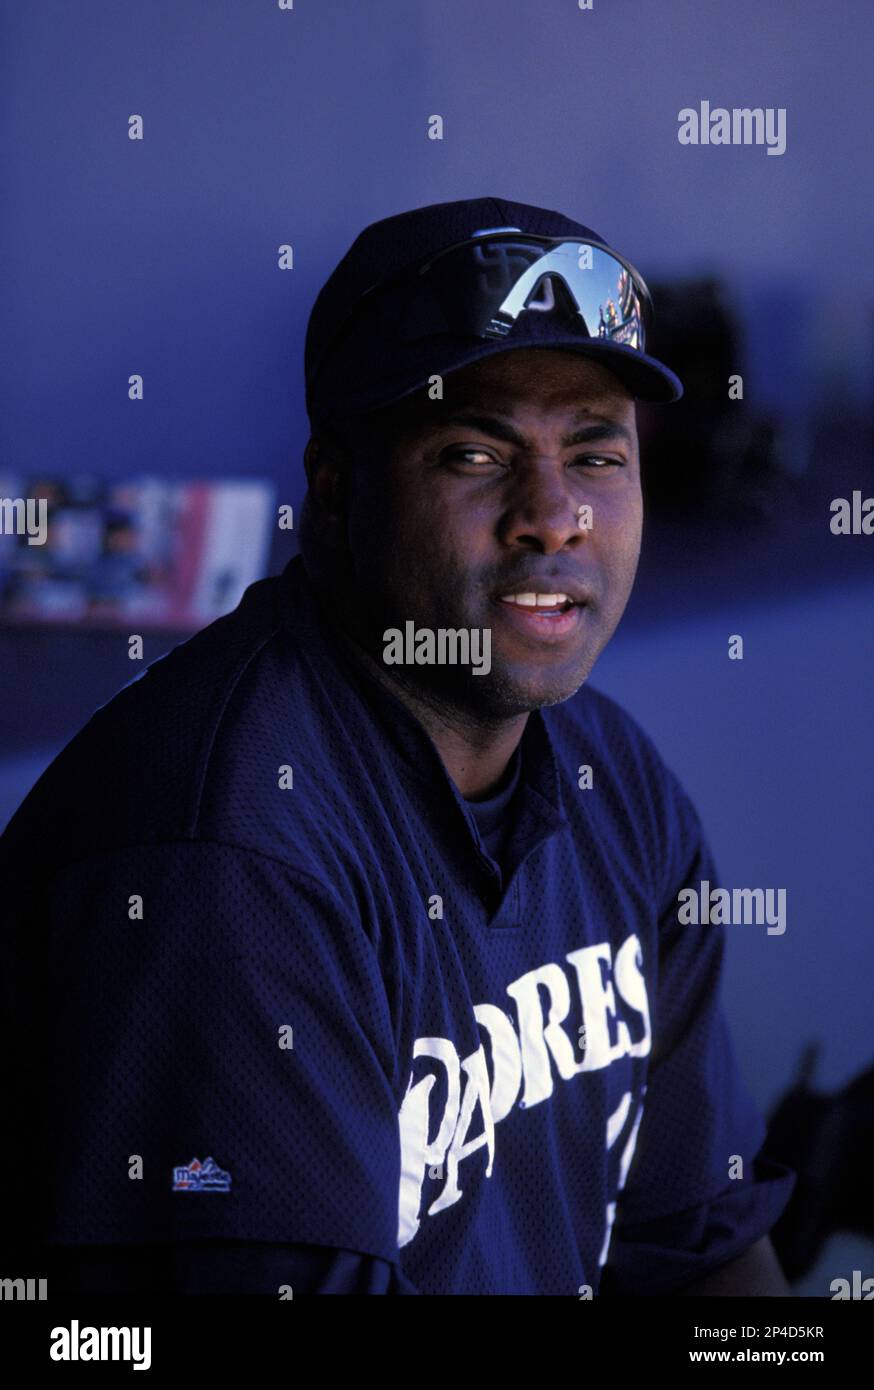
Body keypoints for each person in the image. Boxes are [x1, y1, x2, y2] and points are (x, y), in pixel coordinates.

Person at [0, 196, 796, 1296]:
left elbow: (703, 1249)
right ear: (336, 490)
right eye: (475, 452)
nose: (552, 516)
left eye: (596, 455)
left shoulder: (617, 784)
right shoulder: (226, 853)